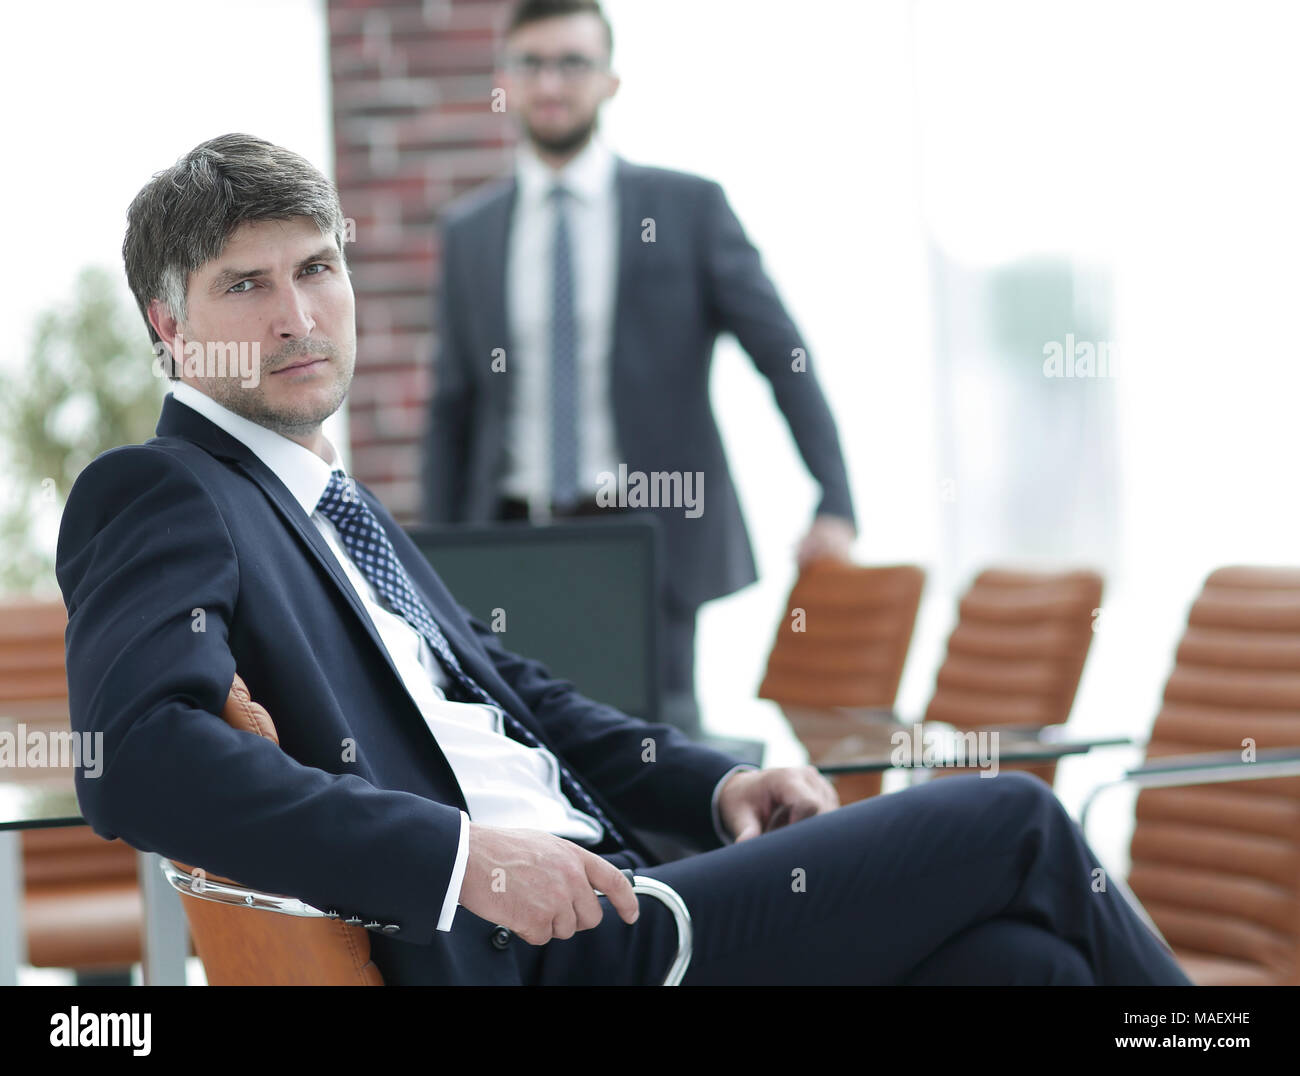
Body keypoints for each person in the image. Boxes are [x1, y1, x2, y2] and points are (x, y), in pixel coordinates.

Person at [56, 133, 1192, 986]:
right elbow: (136, 757)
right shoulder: (166, 488)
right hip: (540, 944)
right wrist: (464, 862)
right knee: (1011, 818)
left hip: (623, 889)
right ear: (168, 326)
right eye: (246, 287)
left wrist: (715, 783)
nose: (299, 315)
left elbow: (515, 704)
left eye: (317, 268)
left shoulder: (320, 495)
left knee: (1017, 966)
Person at [421, 0, 858, 738]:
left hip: (648, 540)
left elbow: (781, 355)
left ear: (611, 79)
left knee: (661, 758)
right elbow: (451, 408)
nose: (551, 83)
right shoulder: (472, 233)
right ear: (507, 79)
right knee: (523, 756)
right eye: (532, 64)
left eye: (573, 63)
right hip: (510, 542)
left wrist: (835, 500)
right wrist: (434, 560)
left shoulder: (687, 208)